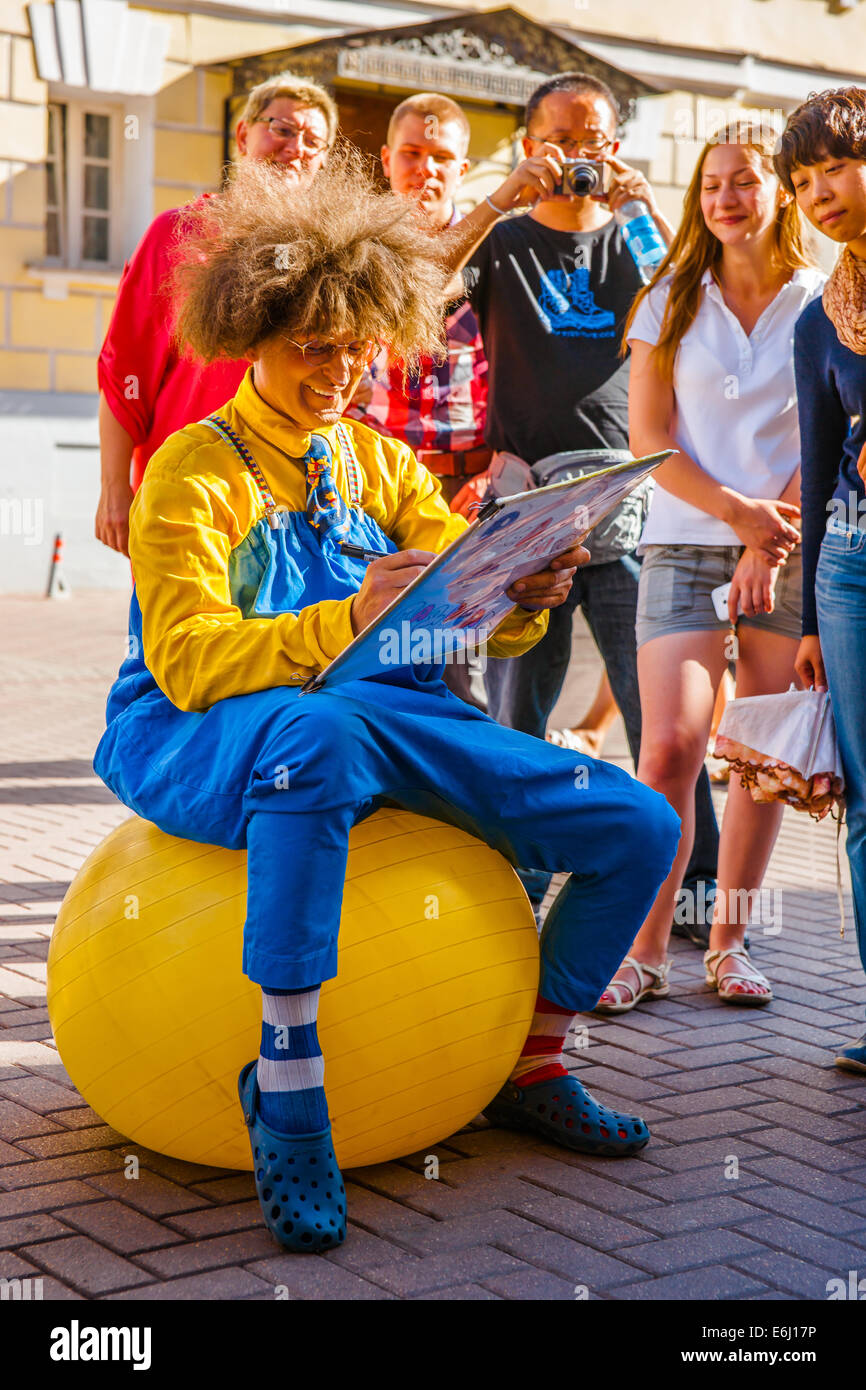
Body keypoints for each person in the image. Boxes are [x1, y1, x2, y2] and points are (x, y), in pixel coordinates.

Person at [91, 154, 680, 1253]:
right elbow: (186, 660)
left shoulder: (383, 462)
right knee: (313, 732)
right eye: (313, 346)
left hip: (378, 722)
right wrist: (349, 621)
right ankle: (287, 1075)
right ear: (251, 332)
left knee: (637, 821)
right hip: (204, 731)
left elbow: (455, 615)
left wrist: (521, 594)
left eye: (359, 345)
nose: (341, 369)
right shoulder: (191, 468)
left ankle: (531, 1063)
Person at [439, 71, 721, 935]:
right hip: (529, 503)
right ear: (531, 146)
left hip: (633, 494)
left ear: (617, 146)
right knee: (519, 707)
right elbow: (423, 283)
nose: (580, 156)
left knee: (659, 712)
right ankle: (514, 881)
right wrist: (497, 200)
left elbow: (705, 302)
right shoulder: (506, 237)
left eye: (594, 138)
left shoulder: (639, 238)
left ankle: (696, 887)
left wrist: (654, 208)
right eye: (560, 139)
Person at [595, 121, 824, 1015]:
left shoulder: (823, 297)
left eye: (746, 181)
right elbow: (647, 442)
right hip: (685, 539)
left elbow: (832, 433)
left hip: (794, 549)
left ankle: (729, 944)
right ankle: (644, 949)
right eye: (711, 185)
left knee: (761, 756)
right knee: (671, 749)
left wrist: (772, 539)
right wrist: (739, 521)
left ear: (781, 191)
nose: (727, 199)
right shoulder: (669, 298)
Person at [95, 71, 338, 557]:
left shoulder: (328, 252)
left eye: (314, 140)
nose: (297, 147)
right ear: (244, 135)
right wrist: (114, 489)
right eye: (283, 128)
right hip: (186, 491)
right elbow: (125, 373)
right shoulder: (178, 234)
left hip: (290, 505)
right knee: (179, 631)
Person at [774, 87, 866, 1071]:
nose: (816, 193)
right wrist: (805, 616)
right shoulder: (818, 320)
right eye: (799, 182)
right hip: (849, 563)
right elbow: (815, 453)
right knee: (864, 800)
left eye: (833, 166)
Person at [346, 92, 490, 707]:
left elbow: (523, 377)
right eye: (411, 153)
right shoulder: (355, 248)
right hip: (373, 494)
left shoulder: (499, 252)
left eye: (440, 156)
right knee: (371, 665)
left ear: (463, 166)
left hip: (465, 491)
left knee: (461, 675)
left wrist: (494, 469)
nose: (424, 169)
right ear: (385, 159)